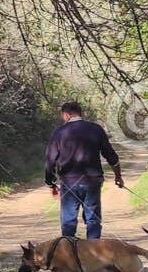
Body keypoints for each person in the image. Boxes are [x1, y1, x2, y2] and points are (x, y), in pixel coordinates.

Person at [43, 100, 123, 240]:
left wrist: (51, 183)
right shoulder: (96, 129)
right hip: (92, 181)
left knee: (68, 221)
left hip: (69, 183)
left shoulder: (59, 132)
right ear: (80, 113)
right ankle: (92, 255)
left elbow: (50, 160)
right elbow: (111, 156)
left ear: (66, 115)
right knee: (93, 220)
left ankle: (69, 254)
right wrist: (118, 176)